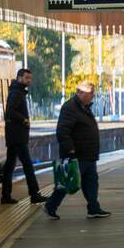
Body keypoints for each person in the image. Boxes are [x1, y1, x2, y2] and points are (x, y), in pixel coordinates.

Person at [44, 80, 111, 220]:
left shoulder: (83, 108)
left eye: (93, 93)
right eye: (90, 93)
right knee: (68, 182)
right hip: (76, 155)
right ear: (80, 92)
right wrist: (70, 149)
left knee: (91, 182)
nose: (92, 96)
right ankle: (51, 205)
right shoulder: (70, 108)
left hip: (88, 154)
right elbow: (62, 131)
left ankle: (93, 208)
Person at [1, 67, 45, 204]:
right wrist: (23, 119)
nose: (29, 81)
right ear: (19, 78)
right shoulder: (16, 93)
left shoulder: (17, 91)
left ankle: (5, 195)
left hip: (14, 135)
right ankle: (34, 194)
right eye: (26, 78)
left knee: (9, 166)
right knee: (27, 165)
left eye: (30, 78)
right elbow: (9, 111)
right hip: (18, 135)